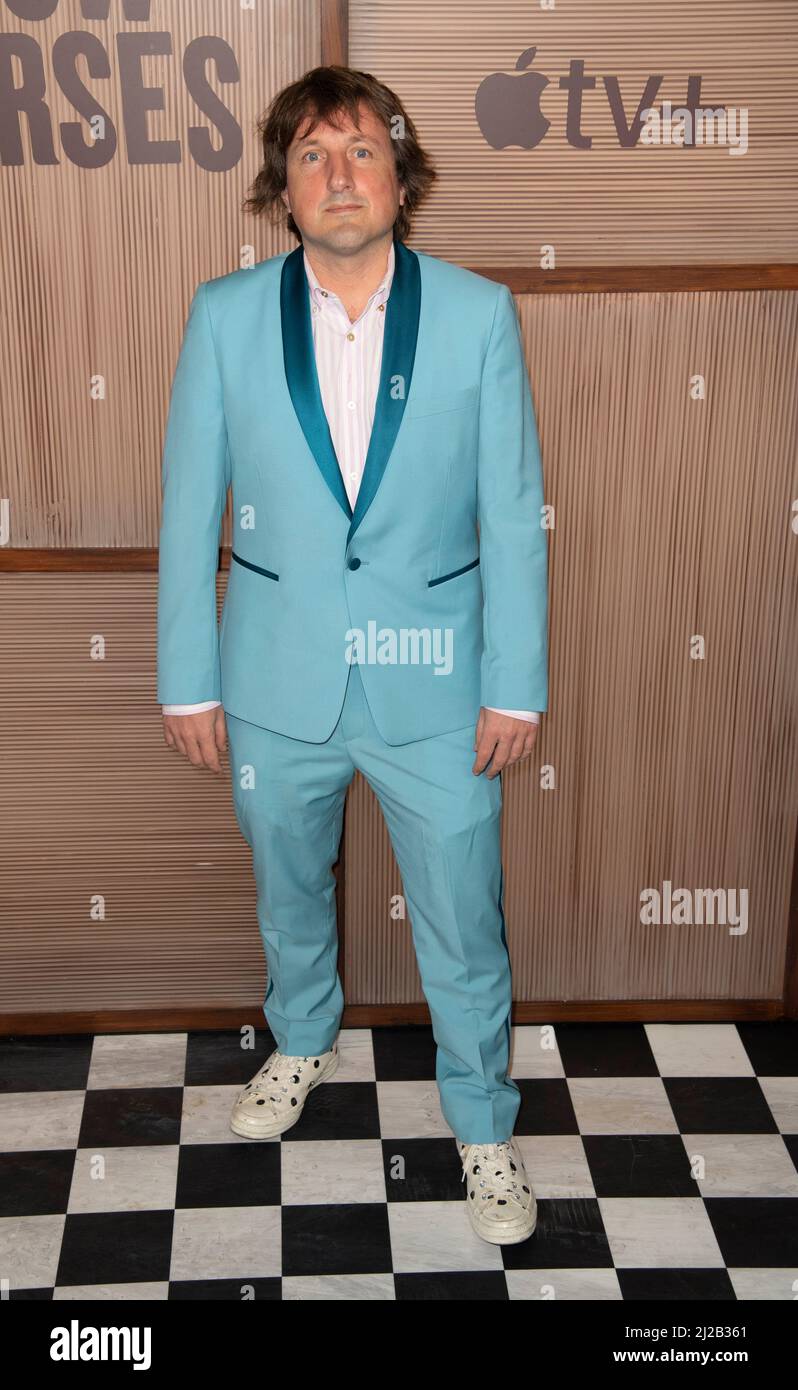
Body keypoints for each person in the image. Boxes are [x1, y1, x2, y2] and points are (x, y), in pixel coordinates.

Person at [157, 65, 548, 1246]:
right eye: (314, 155)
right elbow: (189, 510)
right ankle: (302, 1038)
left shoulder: (479, 315)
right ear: (283, 184)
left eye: (362, 151)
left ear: (401, 173)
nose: (339, 176)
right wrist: (189, 675)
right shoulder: (225, 316)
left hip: (439, 686)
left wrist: (514, 684)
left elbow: (511, 509)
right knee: (288, 892)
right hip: (273, 683)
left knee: (463, 917)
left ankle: (481, 1121)